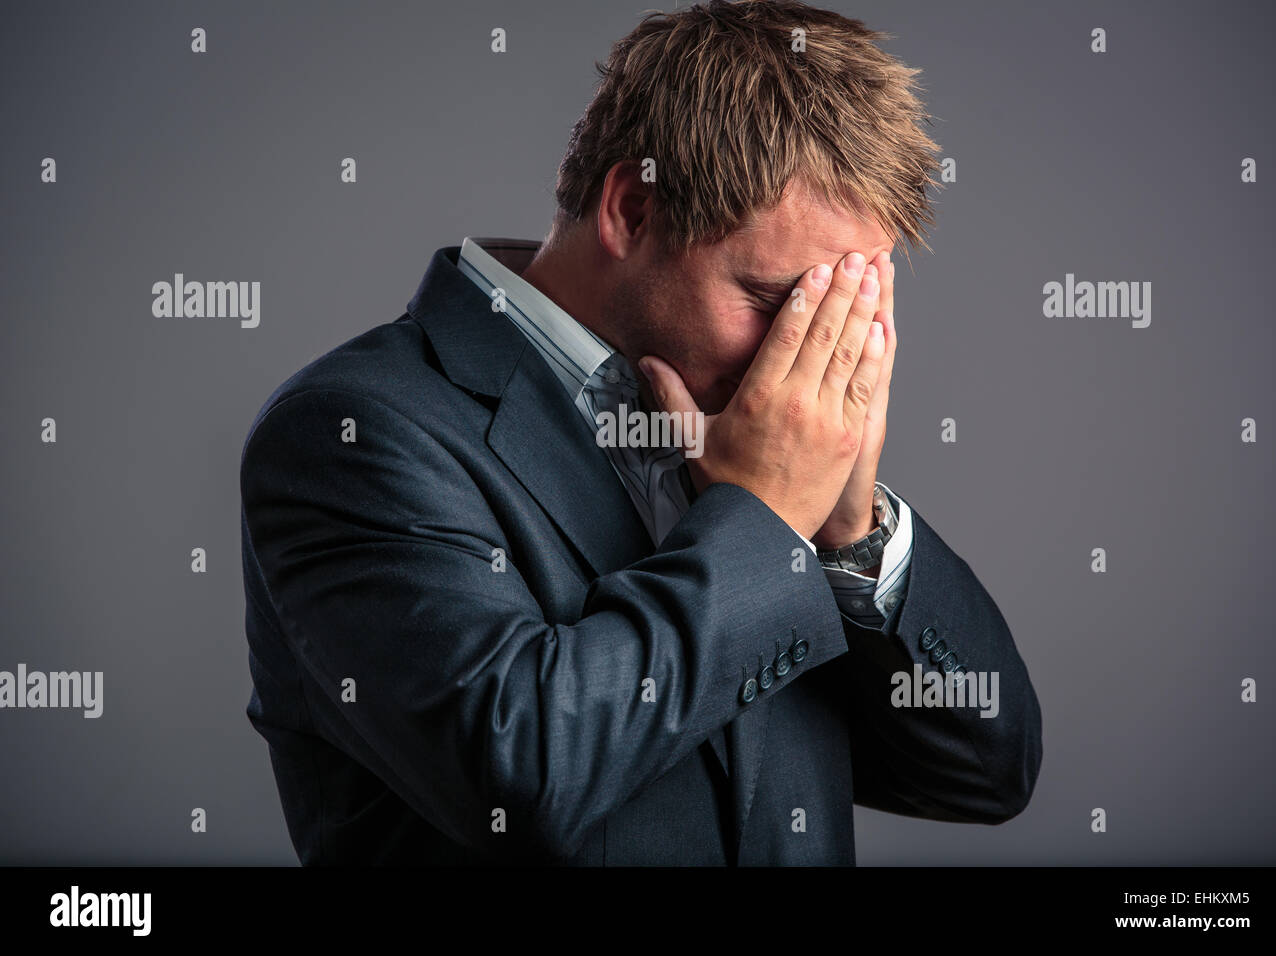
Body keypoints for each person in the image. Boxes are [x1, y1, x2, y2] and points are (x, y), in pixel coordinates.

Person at [240, 0, 1041, 866]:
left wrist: (851, 537)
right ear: (630, 209)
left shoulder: (741, 438)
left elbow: (987, 774)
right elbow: (521, 773)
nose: (808, 359)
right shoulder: (351, 434)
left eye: (847, 310)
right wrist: (763, 521)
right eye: (780, 303)